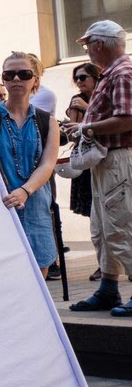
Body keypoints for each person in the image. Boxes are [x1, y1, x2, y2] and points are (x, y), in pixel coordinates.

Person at [66, 21, 132, 315]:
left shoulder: (122, 73)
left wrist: (86, 129)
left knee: (122, 226)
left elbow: (128, 119)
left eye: (88, 44)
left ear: (100, 44)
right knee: (104, 229)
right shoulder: (114, 73)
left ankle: (112, 289)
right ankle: (108, 289)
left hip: (118, 160)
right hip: (108, 160)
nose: (87, 50)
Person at [0, 52, 60, 278]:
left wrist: (26, 190)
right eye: (10, 74)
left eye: (24, 74)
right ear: (4, 79)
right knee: (2, 276)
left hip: (36, 206)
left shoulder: (47, 121)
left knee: (39, 273)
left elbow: (48, 164)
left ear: (35, 80)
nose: (16, 79)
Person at [65, 62, 103, 281]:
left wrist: (87, 108)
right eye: (76, 78)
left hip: (109, 159)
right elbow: (73, 133)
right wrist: (76, 111)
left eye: (83, 78)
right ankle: (103, 265)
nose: (79, 82)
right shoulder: (76, 101)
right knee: (95, 218)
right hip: (88, 161)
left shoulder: (104, 98)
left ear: (95, 78)